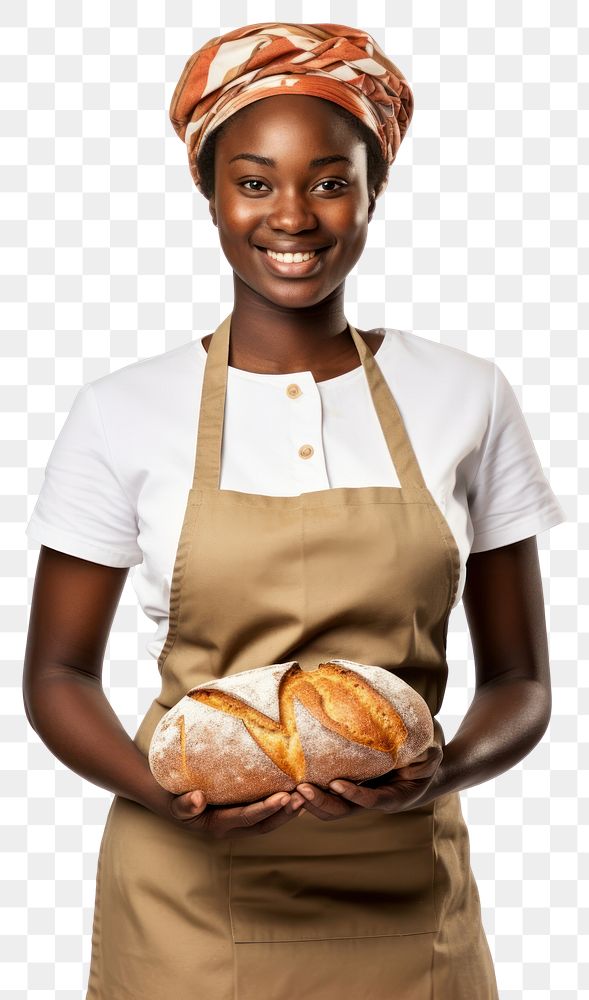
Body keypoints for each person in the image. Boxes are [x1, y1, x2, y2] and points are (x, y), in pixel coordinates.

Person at [22, 22, 567, 1000]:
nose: (292, 217)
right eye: (254, 180)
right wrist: (163, 792)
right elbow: (56, 672)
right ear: (210, 193)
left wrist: (437, 775)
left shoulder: (466, 395)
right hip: (189, 908)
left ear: (372, 190)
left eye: (328, 180)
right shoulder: (122, 408)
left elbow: (521, 677)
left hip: (405, 901)